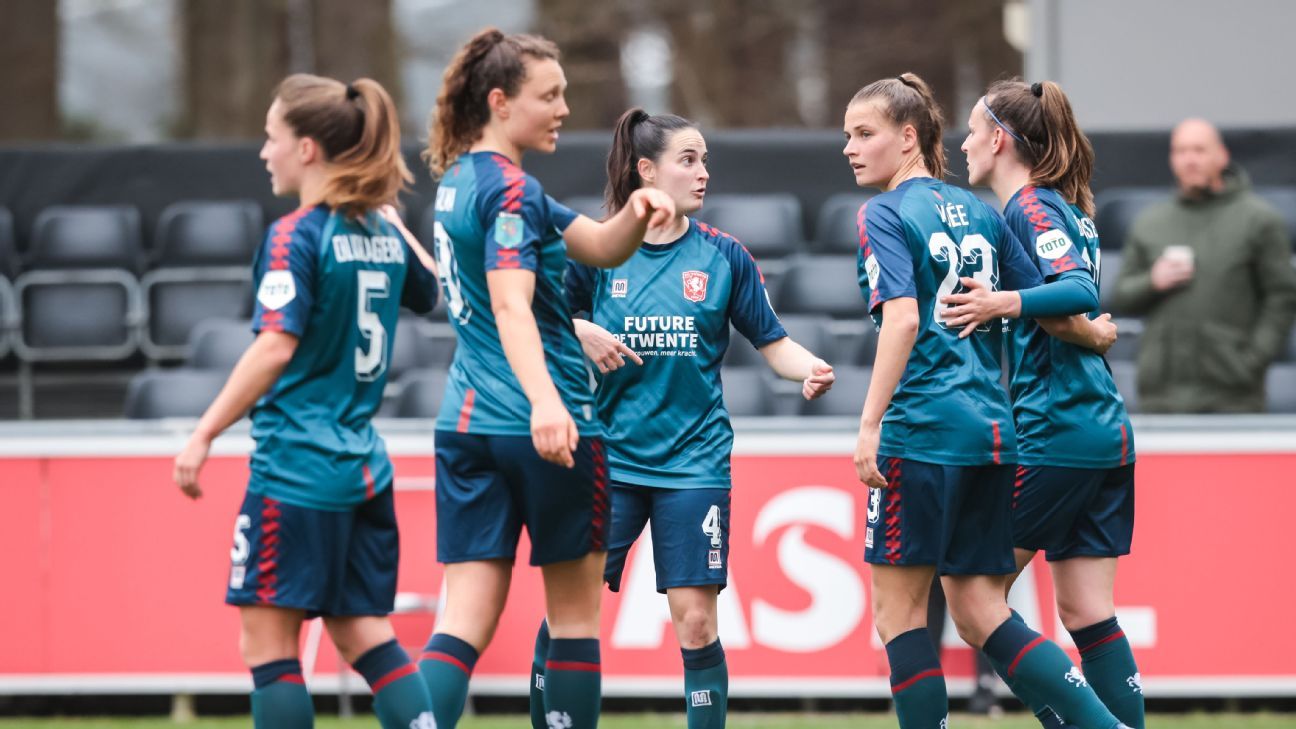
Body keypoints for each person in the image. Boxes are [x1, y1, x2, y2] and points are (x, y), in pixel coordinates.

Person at [525, 108, 836, 729]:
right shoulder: (596, 250)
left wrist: (808, 367)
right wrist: (583, 329)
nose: (703, 173)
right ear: (647, 170)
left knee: (696, 621)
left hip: (694, 462)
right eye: (688, 160)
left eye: (704, 161)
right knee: (570, 610)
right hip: (607, 457)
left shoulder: (724, 256)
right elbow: (532, 319)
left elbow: (772, 343)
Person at [844, 72, 1132, 729]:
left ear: (908, 137)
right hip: (994, 430)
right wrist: (1096, 331)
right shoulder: (983, 212)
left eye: (864, 133)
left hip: (922, 428)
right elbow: (1055, 301)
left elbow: (904, 320)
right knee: (980, 607)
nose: (850, 148)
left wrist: (869, 424)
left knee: (899, 614)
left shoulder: (883, 213)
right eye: (847, 136)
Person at [416, 29, 675, 729]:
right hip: (547, 425)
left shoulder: (462, 182)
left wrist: (635, 212)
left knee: (462, 620)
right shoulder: (510, 190)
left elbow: (596, 243)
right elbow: (508, 300)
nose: (564, 108)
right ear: (501, 102)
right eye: (550, 95)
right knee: (574, 621)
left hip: (466, 423)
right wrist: (545, 402)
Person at [172, 74, 440, 729]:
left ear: (310, 149)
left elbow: (273, 348)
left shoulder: (296, 235)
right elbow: (432, 290)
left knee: (267, 647)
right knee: (363, 635)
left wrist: (203, 432)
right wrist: (389, 219)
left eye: (273, 138)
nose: (265, 153)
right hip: (361, 467)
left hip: (296, 466)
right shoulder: (379, 231)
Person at [955, 78, 1143, 728]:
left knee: (972, 596)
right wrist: (1077, 327)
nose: (965, 142)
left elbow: (1077, 290)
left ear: (1000, 139)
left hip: (1056, 431)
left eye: (974, 130)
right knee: (1085, 611)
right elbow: (1074, 314)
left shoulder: (1029, 208)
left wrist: (999, 301)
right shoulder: (1056, 207)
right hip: (1099, 430)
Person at [1112, 118, 1296, 412]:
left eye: (1199, 150)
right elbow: (1120, 297)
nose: (1189, 160)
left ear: (1221, 155)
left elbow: (1283, 298)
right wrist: (1152, 281)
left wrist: (1251, 361)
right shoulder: (1150, 222)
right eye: (1180, 151)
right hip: (1160, 394)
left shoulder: (1259, 220)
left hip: (1233, 395)